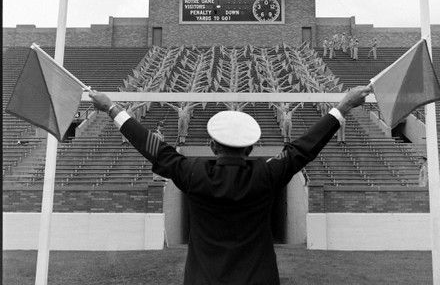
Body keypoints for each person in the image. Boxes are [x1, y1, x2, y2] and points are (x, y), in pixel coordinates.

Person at [89, 85, 370, 285]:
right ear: (251, 148)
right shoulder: (267, 174)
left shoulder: (193, 173)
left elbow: (154, 148)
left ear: (211, 145)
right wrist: (343, 106)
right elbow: (303, 149)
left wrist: (113, 109)